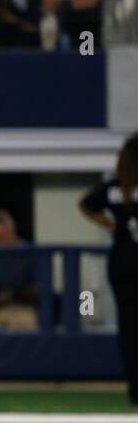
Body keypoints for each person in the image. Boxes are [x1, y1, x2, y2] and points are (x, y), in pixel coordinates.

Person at [79, 132, 138, 405]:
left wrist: (108, 223)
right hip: (131, 259)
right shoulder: (119, 188)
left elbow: (85, 204)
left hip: (122, 260)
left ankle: (134, 387)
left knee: (128, 326)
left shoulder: (116, 187)